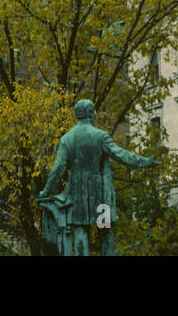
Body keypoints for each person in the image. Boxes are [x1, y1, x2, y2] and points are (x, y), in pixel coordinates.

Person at [37, 98, 156, 255]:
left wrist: (46, 191)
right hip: (101, 192)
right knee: (105, 231)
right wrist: (144, 161)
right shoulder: (100, 136)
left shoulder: (67, 138)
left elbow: (58, 168)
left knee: (80, 228)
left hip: (77, 193)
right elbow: (120, 155)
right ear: (91, 114)